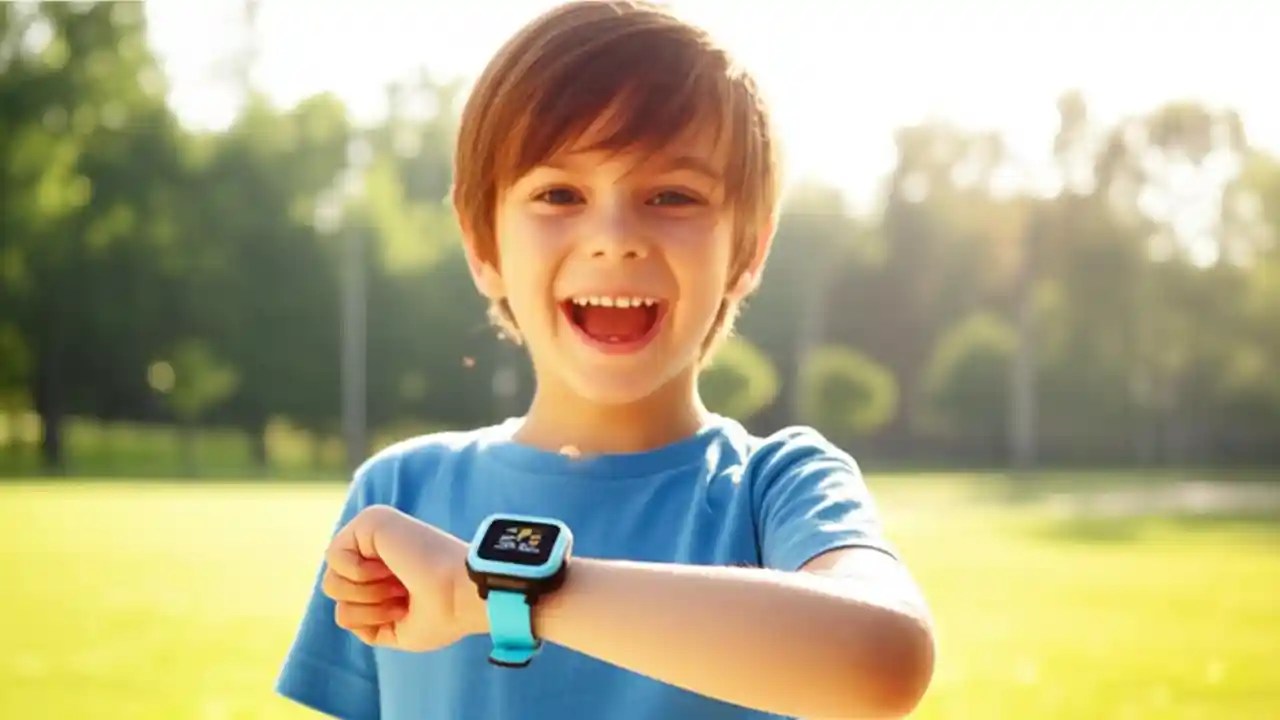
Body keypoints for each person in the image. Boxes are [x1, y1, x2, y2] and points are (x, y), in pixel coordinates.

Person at [275, 2, 935, 718]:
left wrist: (487, 592)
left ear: (747, 250)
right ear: (482, 246)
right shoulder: (400, 495)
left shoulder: (776, 488)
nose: (615, 237)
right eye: (559, 194)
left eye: (672, 196)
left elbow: (884, 660)